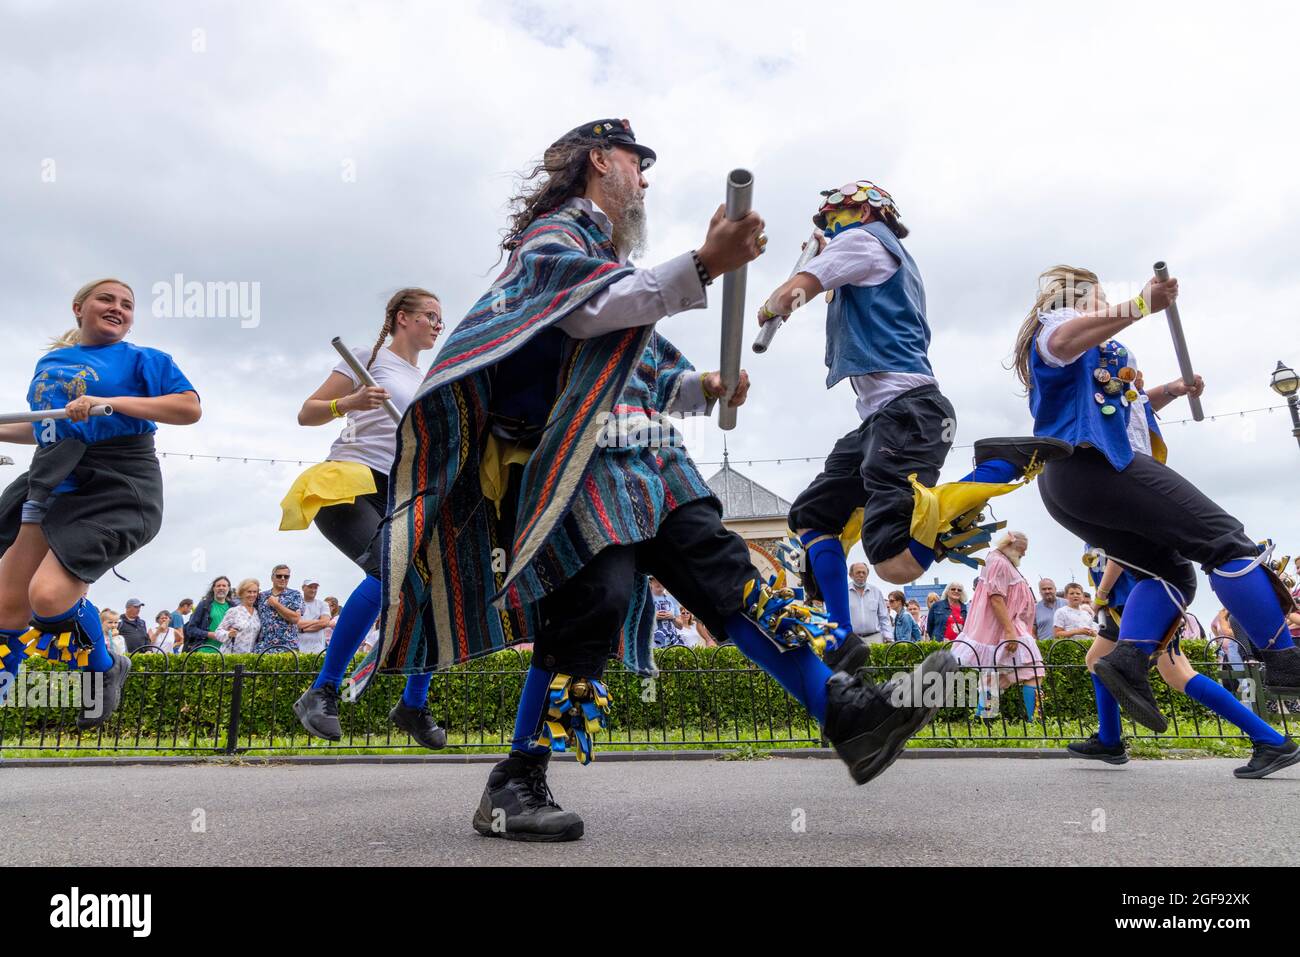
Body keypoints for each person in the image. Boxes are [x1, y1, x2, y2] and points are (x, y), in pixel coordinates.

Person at [374, 118, 954, 842]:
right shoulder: (554, 240)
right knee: (598, 598)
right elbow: (590, 312)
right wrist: (706, 262)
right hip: (580, 464)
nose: (644, 179)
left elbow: (647, 371)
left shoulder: (614, 267)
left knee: (729, 576)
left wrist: (706, 386)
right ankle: (513, 781)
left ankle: (846, 714)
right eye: (635, 162)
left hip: (650, 462)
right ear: (599, 162)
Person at [757, 179, 1070, 676]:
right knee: (812, 516)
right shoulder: (876, 255)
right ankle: (841, 639)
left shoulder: (864, 241)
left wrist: (775, 304)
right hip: (882, 420)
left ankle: (998, 464)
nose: (827, 227)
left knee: (893, 565)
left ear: (862, 211)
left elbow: (797, 291)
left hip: (910, 413)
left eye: (831, 217)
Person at [1014, 264, 1300, 778]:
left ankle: (1126, 663)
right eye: (1098, 296)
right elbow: (1066, 338)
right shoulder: (1059, 325)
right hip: (1097, 465)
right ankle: (1285, 660)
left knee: (1170, 573)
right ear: (1080, 297)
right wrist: (1141, 303)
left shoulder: (1089, 359)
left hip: (1075, 481)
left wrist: (1171, 387)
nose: (1104, 303)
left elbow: (1129, 410)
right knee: (1224, 541)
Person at [0, 278, 200, 724]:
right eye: (106, 299)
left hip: (117, 480)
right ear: (79, 308)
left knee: (48, 597)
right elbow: (45, 427)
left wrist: (111, 401)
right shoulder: (51, 362)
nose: (118, 308)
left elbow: (189, 408)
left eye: (127, 304)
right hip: (52, 474)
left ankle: (105, 667)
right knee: (7, 609)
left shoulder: (145, 360)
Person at [286, 288, 447, 749]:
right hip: (350, 483)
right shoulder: (366, 357)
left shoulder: (429, 378)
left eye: (441, 319)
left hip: (401, 493)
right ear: (402, 318)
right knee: (387, 572)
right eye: (430, 316)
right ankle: (323, 689)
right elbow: (307, 413)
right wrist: (349, 403)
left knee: (430, 594)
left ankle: (413, 704)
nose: (438, 325)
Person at [949, 531, 1044, 718]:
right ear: (1009, 545)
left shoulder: (1000, 560)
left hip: (1008, 625)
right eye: (1021, 550)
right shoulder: (999, 561)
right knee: (1033, 669)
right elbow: (996, 598)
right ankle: (1033, 721)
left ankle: (984, 717)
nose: (1023, 554)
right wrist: (1010, 631)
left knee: (995, 673)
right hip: (1006, 627)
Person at [256, 564, 302, 652]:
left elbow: (295, 618)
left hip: (287, 648)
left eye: (286, 576)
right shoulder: (262, 596)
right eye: (279, 576)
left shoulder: (295, 595)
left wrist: (276, 604)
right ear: (272, 578)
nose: (283, 578)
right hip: (264, 648)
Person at [185, 576, 234, 653]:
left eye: (224, 586)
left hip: (227, 652)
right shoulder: (204, 605)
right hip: (205, 650)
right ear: (213, 589)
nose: (221, 588)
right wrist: (208, 634)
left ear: (228, 588)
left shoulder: (233, 607)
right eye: (218, 586)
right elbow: (190, 629)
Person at [847, 562, 891, 644]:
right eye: (858, 572)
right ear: (851, 575)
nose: (861, 575)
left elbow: (884, 616)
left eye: (864, 573)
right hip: (852, 639)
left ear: (867, 575)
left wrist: (888, 637)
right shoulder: (844, 592)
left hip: (875, 638)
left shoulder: (876, 592)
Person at [216, 578, 261, 654]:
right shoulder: (234, 611)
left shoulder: (257, 613)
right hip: (230, 656)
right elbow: (218, 632)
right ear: (242, 593)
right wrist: (228, 634)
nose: (252, 595)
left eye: (255, 592)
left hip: (249, 658)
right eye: (249, 592)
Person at [296, 578, 332, 655]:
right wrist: (316, 621)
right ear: (303, 588)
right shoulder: (296, 604)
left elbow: (325, 623)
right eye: (310, 587)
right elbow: (297, 624)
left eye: (315, 587)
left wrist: (302, 630)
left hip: (318, 649)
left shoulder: (323, 604)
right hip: (298, 648)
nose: (313, 590)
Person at [649, 577, 683, 649]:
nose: (659, 583)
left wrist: (673, 617)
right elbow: (636, 623)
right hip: (651, 645)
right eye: (656, 581)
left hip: (671, 644)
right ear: (650, 582)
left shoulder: (672, 599)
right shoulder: (645, 599)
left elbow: (681, 626)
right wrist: (652, 616)